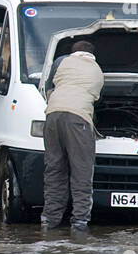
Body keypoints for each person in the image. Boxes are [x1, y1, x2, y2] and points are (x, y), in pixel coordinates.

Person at [40, 39, 103, 231]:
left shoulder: (62, 62)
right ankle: (79, 222)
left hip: (52, 116)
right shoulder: (97, 71)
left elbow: (48, 88)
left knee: (54, 170)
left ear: (73, 52)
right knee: (81, 172)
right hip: (77, 120)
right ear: (92, 54)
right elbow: (95, 101)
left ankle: (49, 220)